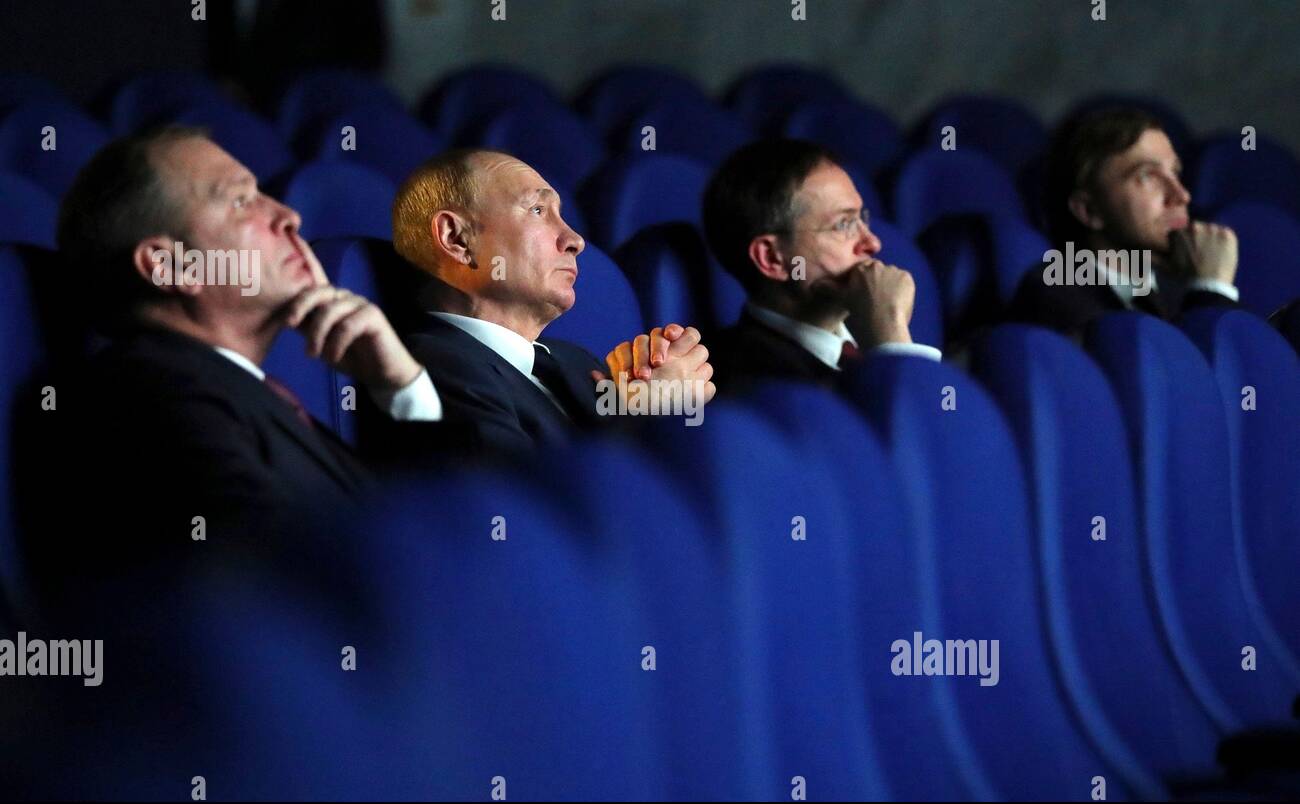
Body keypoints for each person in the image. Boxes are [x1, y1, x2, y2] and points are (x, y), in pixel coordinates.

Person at [32, 126, 456, 592]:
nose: (289, 217)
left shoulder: (227, 388)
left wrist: (402, 388)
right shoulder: (152, 397)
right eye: (241, 201)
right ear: (171, 265)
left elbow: (434, 522)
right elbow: (297, 582)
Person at [391, 149, 714, 459]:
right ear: (457, 239)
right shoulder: (424, 373)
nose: (575, 240)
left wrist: (662, 393)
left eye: (561, 214)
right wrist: (652, 418)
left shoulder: (575, 361)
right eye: (537, 210)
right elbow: (527, 509)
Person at [700, 139, 941, 394]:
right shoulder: (759, 384)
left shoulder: (863, 338)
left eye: (862, 219)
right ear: (772, 258)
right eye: (843, 224)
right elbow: (927, 433)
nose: (873, 243)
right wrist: (892, 340)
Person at [1006, 106, 1239, 336]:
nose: (1181, 195)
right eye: (1147, 176)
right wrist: (1212, 290)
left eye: (1175, 173)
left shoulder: (1179, 290)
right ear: (1088, 210)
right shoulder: (1053, 292)